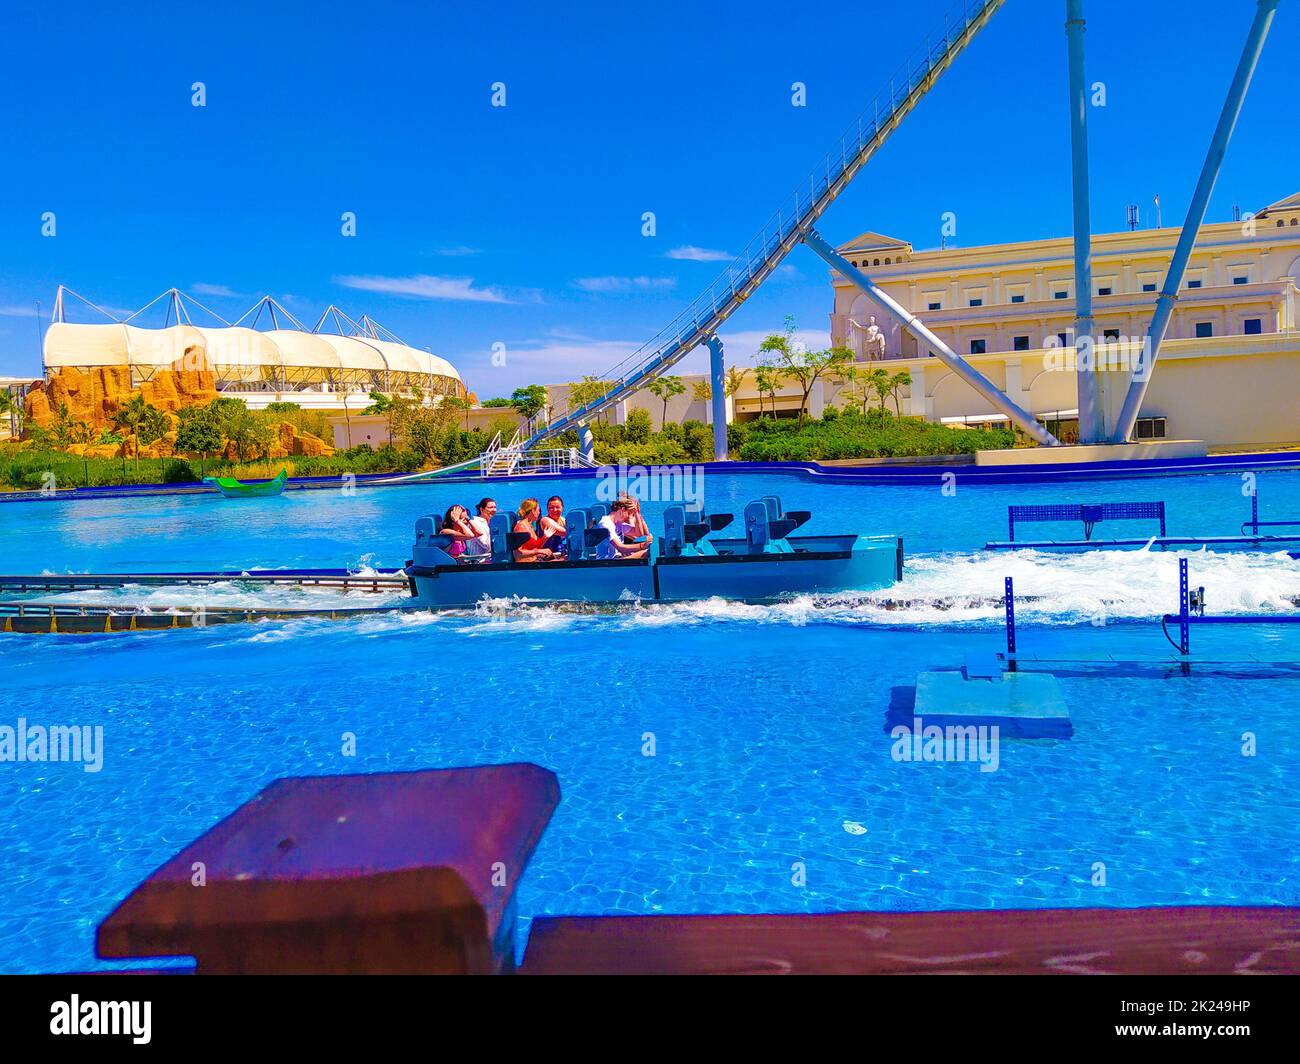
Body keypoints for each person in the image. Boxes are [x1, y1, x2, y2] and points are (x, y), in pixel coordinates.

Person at [512, 498, 555, 563]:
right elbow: (517, 554)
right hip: (525, 566)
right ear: (532, 511)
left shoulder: (530, 525)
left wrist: (545, 537)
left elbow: (535, 547)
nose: (539, 512)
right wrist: (538, 551)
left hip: (534, 561)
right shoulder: (521, 526)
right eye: (538, 510)